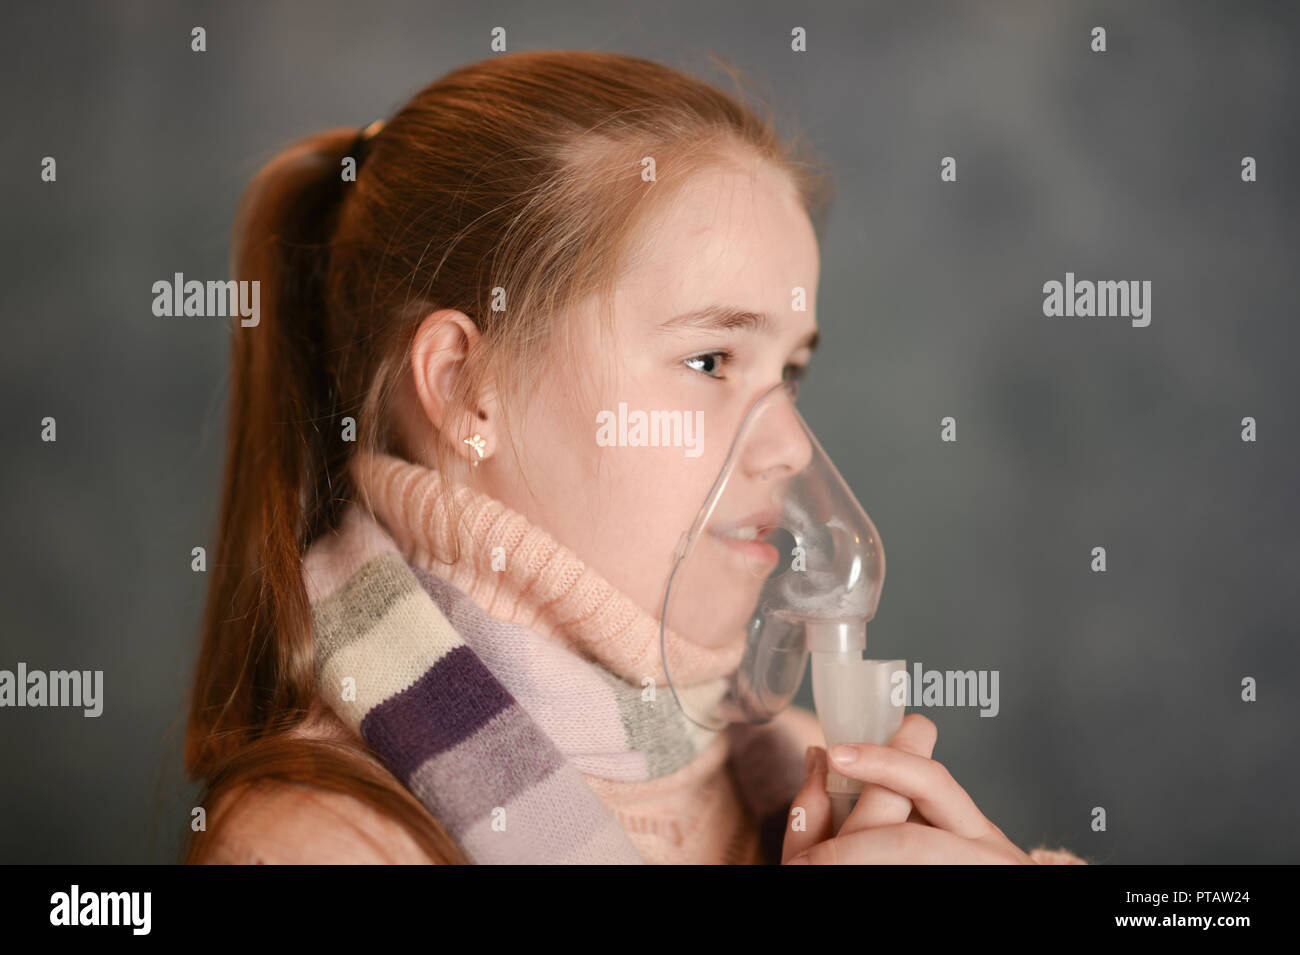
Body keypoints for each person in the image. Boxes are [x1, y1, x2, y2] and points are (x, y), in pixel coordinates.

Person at [183, 49, 1085, 865]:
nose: (790, 448)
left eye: (792, 372)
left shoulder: (826, 781)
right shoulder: (315, 846)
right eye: (710, 360)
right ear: (464, 388)